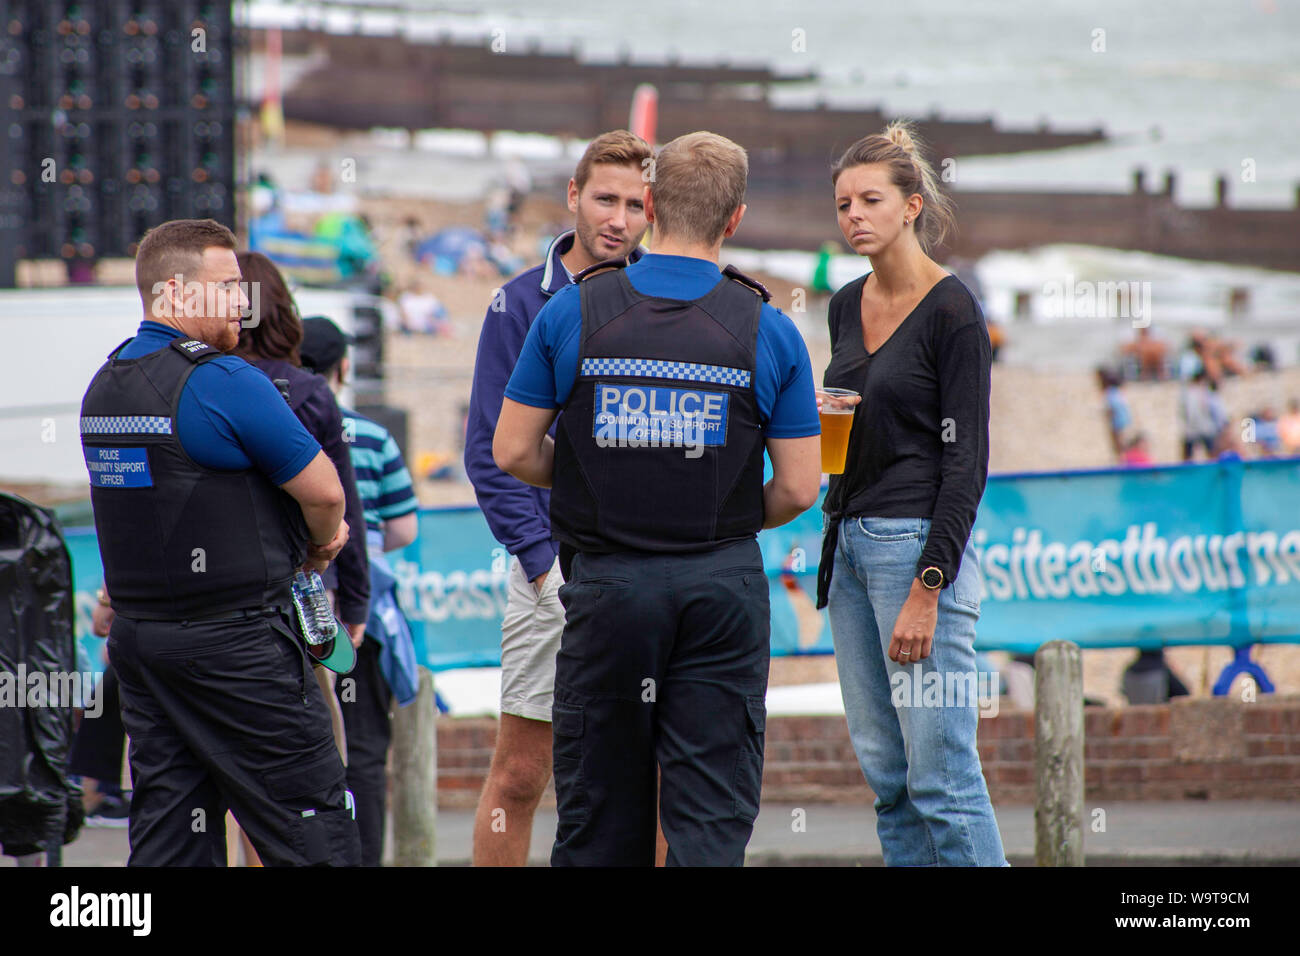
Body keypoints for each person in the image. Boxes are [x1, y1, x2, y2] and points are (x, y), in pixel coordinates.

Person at [494, 131, 822, 866]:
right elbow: (800, 486)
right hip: (721, 587)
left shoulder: (573, 310)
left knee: (599, 818)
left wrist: (595, 474)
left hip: (609, 587)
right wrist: (723, 513)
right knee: (708, 822)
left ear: (650, 203)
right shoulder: (770, 328)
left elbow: (511, 451)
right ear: (734, 218)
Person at [79, 218, 359, 866]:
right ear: (175, 293)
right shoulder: (225, 380)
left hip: (143, 646)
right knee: (313, 831)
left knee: (170, 837)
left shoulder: (105, 384)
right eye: (228, 286)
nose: (243, 302)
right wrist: (318, 549)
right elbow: (326, 495)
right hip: (238, 645)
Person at [816, 122, 1007, 866]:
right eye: (843, 204)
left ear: (912, 206)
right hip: (848, 548)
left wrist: (930, 584)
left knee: (943, 781)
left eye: (871, 200)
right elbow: (851, 426)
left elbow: (968, 463)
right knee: (890, 783)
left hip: (917, 554)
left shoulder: (953, 311)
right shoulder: (843, 304)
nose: (854, 215)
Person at [464, 130, 653, 866]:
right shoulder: (515, 303)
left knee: (653, 779)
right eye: (605, 199)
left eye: (636, 204)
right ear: (573, 196)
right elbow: (490, 452)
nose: (619, 219)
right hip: (554, 570)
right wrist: (544, 567)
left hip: (649, 569)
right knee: (519, 777)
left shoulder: (666, 294)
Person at [300, 315, 421, 868]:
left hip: (293, 609)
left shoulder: (273, 423)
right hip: (356, 614)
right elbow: (404, 529)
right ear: (343, 367)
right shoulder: (371, 435)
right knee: (366, 753)